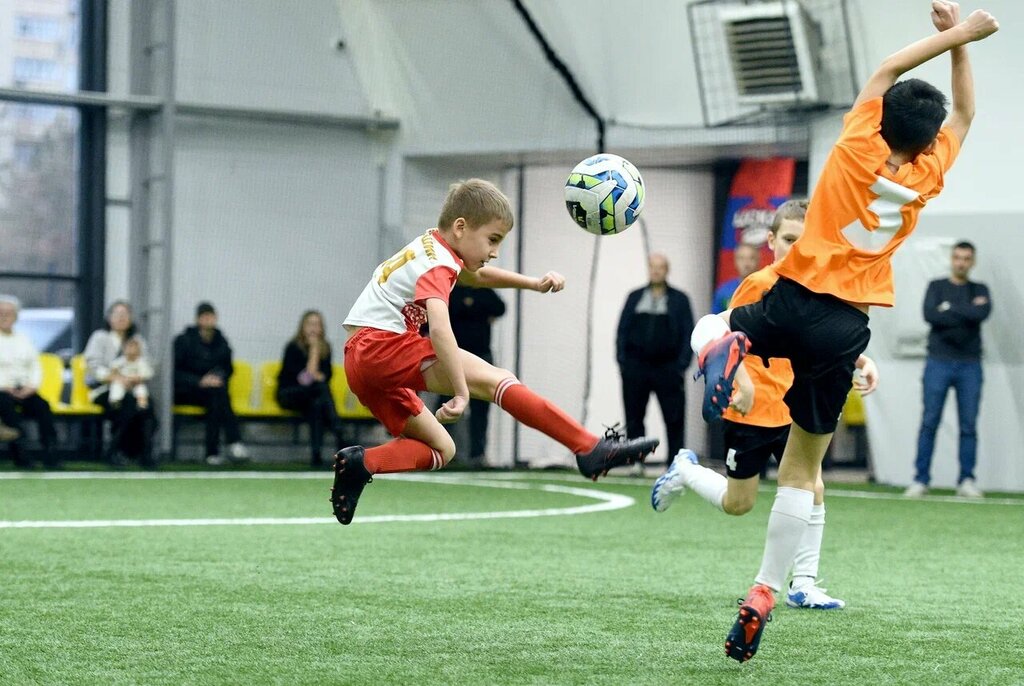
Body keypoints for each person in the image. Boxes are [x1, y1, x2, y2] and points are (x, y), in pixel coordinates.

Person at [685, 3, 998, 662]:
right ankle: (766, 590)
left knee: (716, 321)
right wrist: (965, 48)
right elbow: (965, 115)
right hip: (846, 326)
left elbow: (888, 67)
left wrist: (953, 33)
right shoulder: (926, 175)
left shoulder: (857, 142)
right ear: (927, 140)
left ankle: (726, 353)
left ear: (881, 119)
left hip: (793, 299)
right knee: (804, 469)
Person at [331, 178, 659, 525]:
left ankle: (360, 464)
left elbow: (478, 278)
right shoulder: (439, 264)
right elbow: (440, 326)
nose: (495, 251)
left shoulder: (432, 246)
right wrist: (460, 390)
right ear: (461, 227)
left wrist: (533, 283)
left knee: (442, 449)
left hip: (362, 360)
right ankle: (588, 448)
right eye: (492, 239)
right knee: (496, 380)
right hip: (381, 346)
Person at [651, 200, 880, 611]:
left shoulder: (817, 287)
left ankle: (804, 583)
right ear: (771, 241)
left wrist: (862, 360)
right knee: (739, 504)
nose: (797, 249)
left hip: (793, 407)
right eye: (789, 239)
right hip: (751, 408)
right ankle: (685, 469)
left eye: (805, 241)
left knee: (813, 486)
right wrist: (740, 383)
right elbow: (731, 335)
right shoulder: (760, 284)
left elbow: (820, 339)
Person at [906, 240, 991, 498]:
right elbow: (931, 316)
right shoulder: (937, 286)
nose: (961, 262)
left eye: (966, 258)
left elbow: (982, 314)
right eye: (958, 257)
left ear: (972, 262)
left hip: (970, 364)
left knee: (968, 425)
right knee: (929, 421)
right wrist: (966, 311)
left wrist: (950, 309)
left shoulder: (980, 289)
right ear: (951, 259)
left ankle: (966, 479)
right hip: (938, 362)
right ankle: (921, 479)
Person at [616, 253, 694, 465]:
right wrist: (623, 362)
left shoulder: (680, 300)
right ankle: (636, 461)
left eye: (660, 267)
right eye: (653, 266)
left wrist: (681, 365)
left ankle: (675, 463)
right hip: (636, 369)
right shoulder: (635, 297)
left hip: (668, 369)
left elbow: (689, 332)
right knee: (634, 418)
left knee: (674, 419)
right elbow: (622, 330)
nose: (656, 270)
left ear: (667, 270)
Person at [84, 300, 159, 468]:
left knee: (147, 407)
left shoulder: (137, 340)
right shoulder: (100, 337)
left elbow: (148, 364)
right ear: (109, 318)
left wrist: (138, 376)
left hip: (133, 389)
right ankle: (114, 451)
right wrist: (116, 378)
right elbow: (92, 366)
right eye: (117, 315)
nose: (121, 318)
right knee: (128, 406)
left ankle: (145, 453)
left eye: (125, 315)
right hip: (105, 390)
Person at [174, 301, 249, 466]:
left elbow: (228, 368)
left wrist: (215, 378)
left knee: (216, 396)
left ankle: (212, 454)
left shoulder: (222, 342)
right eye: (205, 316)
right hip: (186, 391)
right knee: (218, 395)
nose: (209, 320)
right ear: (198, 319)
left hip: (212, 392)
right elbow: (174, 372)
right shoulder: (184, 340)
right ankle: (233, 442)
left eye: (211, 316)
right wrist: (199, 381)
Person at [277, 309, 346, 468]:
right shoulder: (293, 347)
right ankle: (338, 431)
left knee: (316, 405)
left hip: (312, 397)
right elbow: (304, 380)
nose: (313, 328)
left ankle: (316, 456)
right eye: (310, 324)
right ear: (302, 326)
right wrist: (314, 351)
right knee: (319, 388)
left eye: (317, 324)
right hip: (290, 394)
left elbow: (326, 376)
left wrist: (317, 351)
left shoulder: (326, 348)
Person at [0, 295, 59, 469]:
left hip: (24, 389)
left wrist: (31, 386)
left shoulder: (24, 339)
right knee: (7, 408)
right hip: (2, 389)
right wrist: (5, 386)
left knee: (43, 407)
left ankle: (51, 454)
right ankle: (22, 456)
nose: (4, 317)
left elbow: (35, 366)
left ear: (16, 317)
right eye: (1, 313)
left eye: (8, 313)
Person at [712, 243, 761, 314]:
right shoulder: (724, 291)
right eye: (741, 258)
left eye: (751, 258)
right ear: (735, 261)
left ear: (758, 261)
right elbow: (715, 320)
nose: (746, 264)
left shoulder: (768, 289)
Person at [108, 335, 154, 409]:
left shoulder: (141, 362)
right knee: (116, 387)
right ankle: (115, 401)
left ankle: (142, 404)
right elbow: (113, 368)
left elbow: (148, 373)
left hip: (136, 382)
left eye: (134, 347)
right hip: (123, 380)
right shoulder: (121, 361)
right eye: (129, 347)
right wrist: (118, 375)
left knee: (141, 389)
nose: (131, 350)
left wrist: (140, 377)